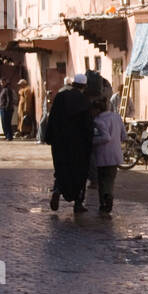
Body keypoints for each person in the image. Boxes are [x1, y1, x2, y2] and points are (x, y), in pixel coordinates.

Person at [45, 74, 94, 213]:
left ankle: (58, 189)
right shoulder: (85, 101)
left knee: (61, 169)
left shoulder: (60, 97)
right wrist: (89, 142)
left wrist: (49, 137)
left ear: (73, 84)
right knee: (79, 173)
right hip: (78, 145)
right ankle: (78, 203)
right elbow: (88, 126)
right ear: (84, 86)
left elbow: (52, 118)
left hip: (60, 143)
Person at [90, 97, 125, 214]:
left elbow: (105, 137)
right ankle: (108, 196)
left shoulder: (98, 120)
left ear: (97, 109)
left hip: (102, 155)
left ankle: (103, 202)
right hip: (115, 155)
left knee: (101, 180)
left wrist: (91, 140)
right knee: (110, 180)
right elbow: (123, 136)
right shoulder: (117, 117)